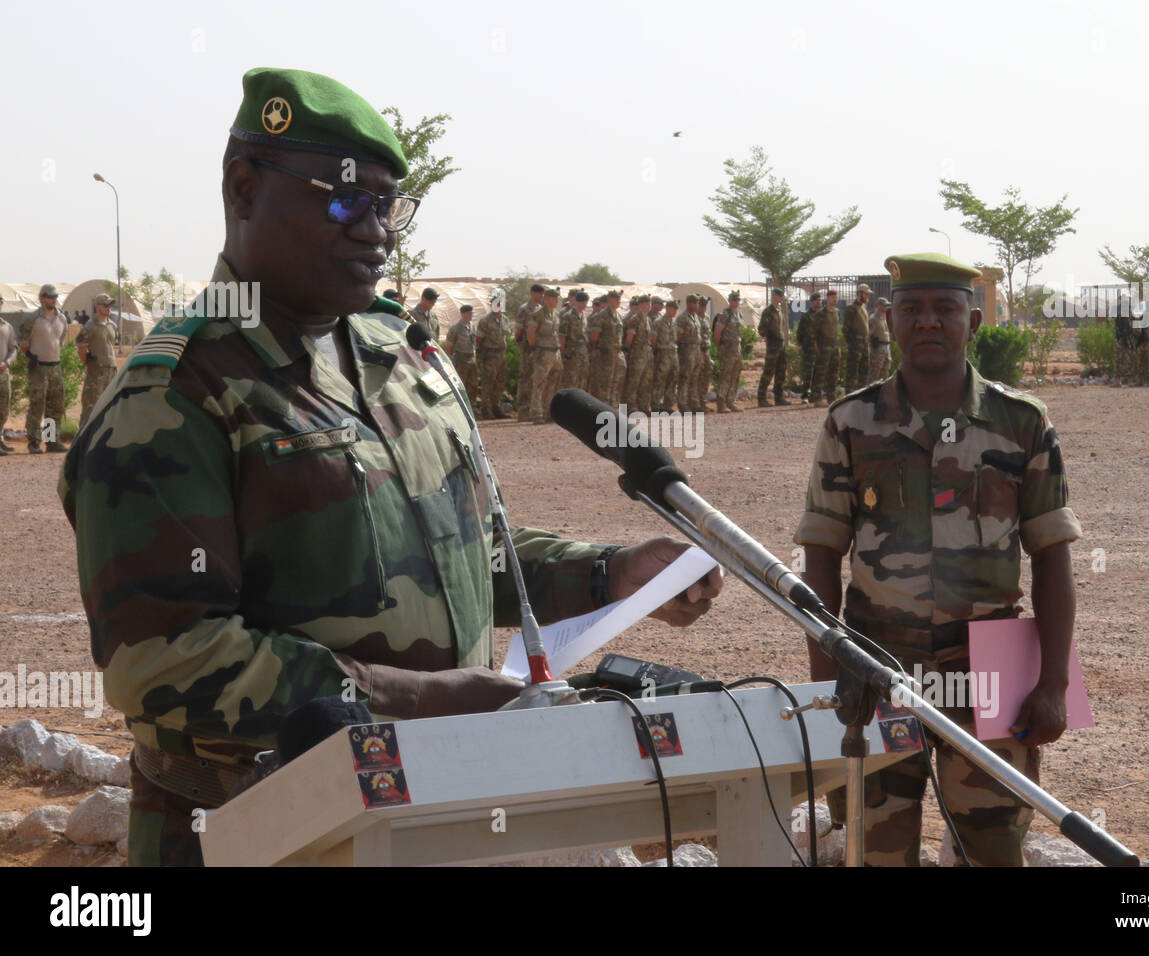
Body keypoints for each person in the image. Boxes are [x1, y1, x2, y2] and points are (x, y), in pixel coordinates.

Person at [58, 67, 722, 867]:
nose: (376, 229)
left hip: (433, 815)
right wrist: (412, 699)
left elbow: (461, 554)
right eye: (344, 199)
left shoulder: (402, 356)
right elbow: (164, 660)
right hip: (260, 832)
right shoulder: (174, 396)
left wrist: (610, 574)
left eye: (388, 205)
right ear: (243, 189)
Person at [795, 252, 1080, 867]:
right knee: (875, 847)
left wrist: (1053, 682)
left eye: (945, 309)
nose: (928, 322)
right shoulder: (851, 422)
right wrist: (827, 678)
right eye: (912, 310)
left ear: (973, 322)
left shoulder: (1022, 423)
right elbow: (820, 556)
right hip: (875, 664)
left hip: (990, 665)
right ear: (890, 321)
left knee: (995, 845)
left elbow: (1053, 559)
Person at [18, 283, 70, 453]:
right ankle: (34, 441)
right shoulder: (32, 319)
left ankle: (51, 441)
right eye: (50, 296)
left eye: (55, 297)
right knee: (37, 405)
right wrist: (31, 356)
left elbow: (61, 339)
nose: (53, 300)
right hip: (38, 368)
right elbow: (23, 342)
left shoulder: (62, 318)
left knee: (55, 406)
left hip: (55, 366)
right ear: (41, 298)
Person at [76, 293, 119, 416]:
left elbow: (111, 345)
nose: (109, 308)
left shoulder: (113, 325)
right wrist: (90, 364)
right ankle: (85, 434)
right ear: (97, 307)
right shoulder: (90, 326)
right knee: (90, 407)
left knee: (110, 406)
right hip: (96, 372)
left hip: (111, 370)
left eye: (110, 305)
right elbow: (81, 349)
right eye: (106, 305)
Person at [526, 287, 564, 423]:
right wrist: (535, 348)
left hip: (555, 353)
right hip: (543, 352)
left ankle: (549, 412)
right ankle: (536, 413)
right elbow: (530, 333)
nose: (556, 301)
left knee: (553, 383)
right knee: (539, 383)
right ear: (547, 299)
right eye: (554, 298)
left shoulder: (556, 314)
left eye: (557, 298)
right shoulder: (537, 314)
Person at [475, 294, 510, 418]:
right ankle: (486, 410)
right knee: (488, 383)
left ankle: (496, 407)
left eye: (501, 304)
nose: (499, 307)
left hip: (501, 354)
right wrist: (483, 354)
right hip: (489, 354)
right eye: (497, 304)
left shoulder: (505, 320)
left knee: (500, 383)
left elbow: (506, 335)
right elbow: (479, 340)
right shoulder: (485, 321)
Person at [515, 283, 544, 414]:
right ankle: (522, 409)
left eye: (542, 293)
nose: (541, 296)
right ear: (533, 293)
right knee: (525, 378)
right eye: (539, 293)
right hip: (527, 349)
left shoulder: (540, 309)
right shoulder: (524, 309)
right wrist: (522, 346)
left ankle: (533, 408)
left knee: (535, 378)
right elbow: (518, 331)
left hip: (538, 349)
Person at [756, 288, 788, 406]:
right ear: (774, 296)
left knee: (781, 372)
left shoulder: (779, 311)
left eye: (782, 296)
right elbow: (761, 329)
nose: (781, 298)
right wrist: (768, 336)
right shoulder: (768, 312)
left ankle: (779, 398)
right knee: (768, 372)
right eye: (779, 295)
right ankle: (761, 398)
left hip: (781, 345)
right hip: (773, 346)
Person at [446, 304, 481, 413]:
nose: (471, 316)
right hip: (460, 359)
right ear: (463, 314)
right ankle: (461, 409)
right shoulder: (455, 329)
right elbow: (449, 346)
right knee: (461, 384)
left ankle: (472, 407)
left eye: (472, 313)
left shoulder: (472, 326)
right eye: (469, 313)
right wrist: (449, 361)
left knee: (473, 384)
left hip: (471, 358)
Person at [713, 290, 744, 413]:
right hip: (727, 349)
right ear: (729, 301)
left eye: (738, 300)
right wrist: (721, 347)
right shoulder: (725, 314)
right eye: (734, 300)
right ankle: (721, 403)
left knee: (735, 376)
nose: (736, 302)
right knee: (725, 376)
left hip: (737, 349)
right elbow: (717, 333)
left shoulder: (739, 314)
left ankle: (730, 401)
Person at [651, 298, 680, 412]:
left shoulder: (674, 322)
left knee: (672, 381)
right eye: (673, 309)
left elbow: (676, 339)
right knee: (660, 380)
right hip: (663, 354)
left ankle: (667, 406)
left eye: (676, 309)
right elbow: (653, 340)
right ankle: (656, 405)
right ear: (668, 308)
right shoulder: (658, 322)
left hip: (673, 355)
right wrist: (658, 351)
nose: (675, 311)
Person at [559, 289, 590, 392]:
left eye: (586, 301)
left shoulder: (584, 317)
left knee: (582, 381)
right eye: (582, 301)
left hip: (582, 354)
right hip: (571, 355)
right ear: (576, 301)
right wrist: (563, 355)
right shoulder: (567, 316)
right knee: (570, 382)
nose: (584, 304)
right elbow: (562, 337)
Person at [842, 284, 871, 392]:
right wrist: (852, 343)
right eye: (866, 294)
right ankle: (850, 394)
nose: (868, 296)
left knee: (864, 371)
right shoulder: (851, 309)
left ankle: (861, 395)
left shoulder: (863, 308)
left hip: (865, 343)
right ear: (860, 294)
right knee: (852, 371)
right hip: (855, 344)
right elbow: (846, 329)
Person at [676, 294, 701, 412]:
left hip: (696, 351)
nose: (696, 305)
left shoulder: (696, 317)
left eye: (697, 303)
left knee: (695, 378)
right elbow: (678, 336)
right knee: (685, 378)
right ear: (689, 303)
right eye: (694, 303)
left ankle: (694, 403)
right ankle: (682, 403)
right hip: (686, 351)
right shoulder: (682, 318)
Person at [797, 292, 819, 402]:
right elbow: (800, 333)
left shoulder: (822, 315)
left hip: (820, 349)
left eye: (819, 300)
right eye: (816, 300)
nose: (818, 302)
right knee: (808, 373)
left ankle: (814, 395)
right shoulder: (806, 316)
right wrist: (801, 346)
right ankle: (805, 395)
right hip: (808, 349)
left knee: (818, 373)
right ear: (811, 302)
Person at [0, 304, 15, 455]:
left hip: (3, 373)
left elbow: (13, 349)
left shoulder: (7, 326)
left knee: (4, 408)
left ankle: (0, 439)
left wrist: (7, 363)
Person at [868, 296, 892, 385]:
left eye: (887, 305)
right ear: (878, 305)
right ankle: (870, 395)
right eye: (884, 305)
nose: (886, 307)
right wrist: (872, 346)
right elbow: (869, 335)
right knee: (875, 373)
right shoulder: (873, 319)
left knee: (885, 372)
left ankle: (882, 394)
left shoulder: (885, 317)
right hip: (878, 348)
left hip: (886, 347)